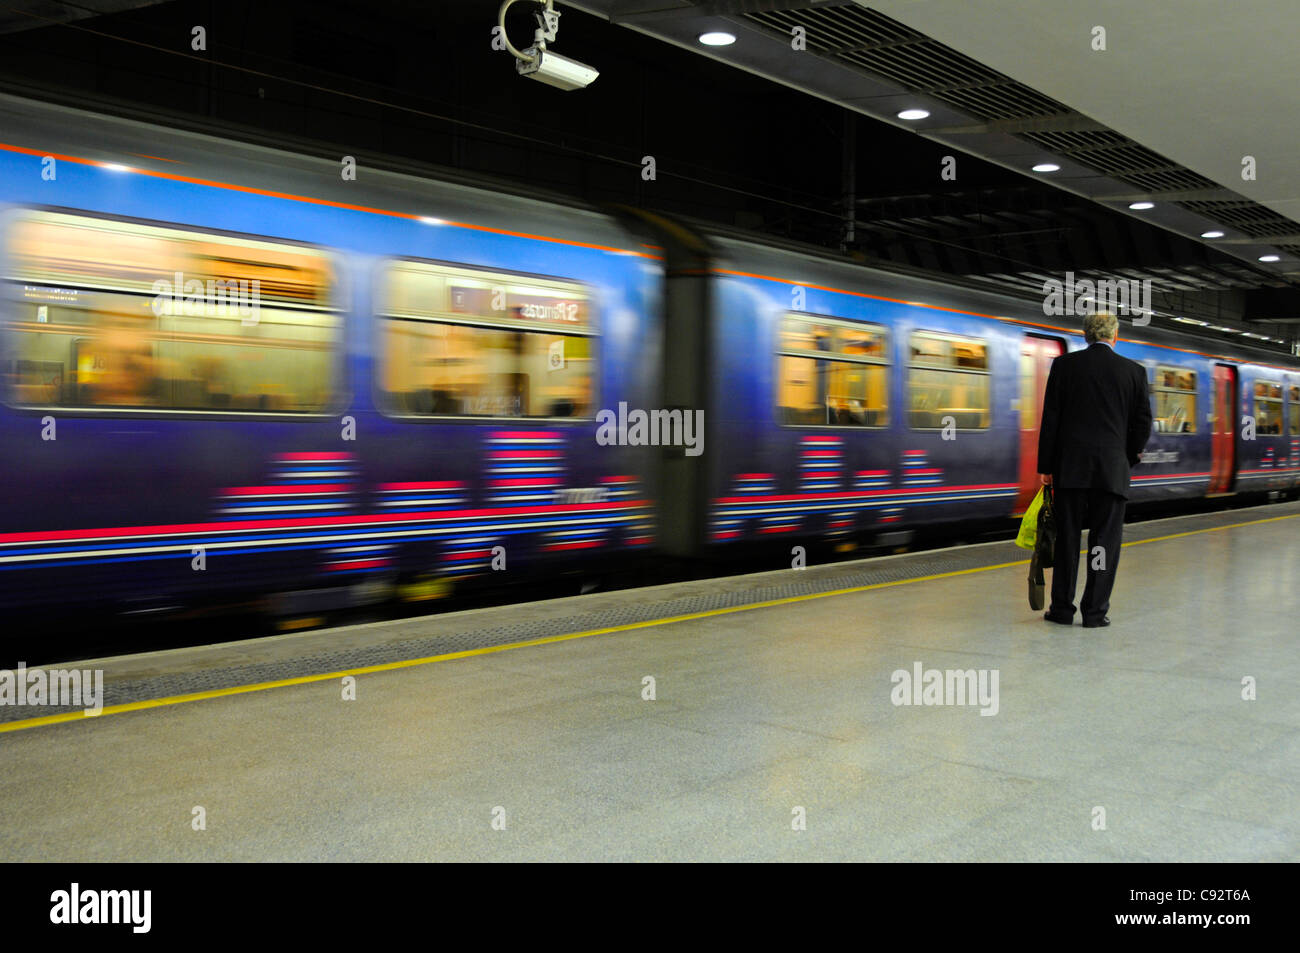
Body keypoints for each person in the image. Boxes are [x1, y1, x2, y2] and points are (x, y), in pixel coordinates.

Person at [1037, 312, 1152, 628]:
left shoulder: (1064, 366)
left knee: (1068, 540)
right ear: (1116, 336)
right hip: (1111, 472)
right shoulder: (1134, 372)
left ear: (1086, 335)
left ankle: (1061, 609)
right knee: (1104, 543)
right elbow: (1143, 424)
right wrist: (1125, 458)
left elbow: (1051, 419)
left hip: (1070, 470)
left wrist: (1046, 466)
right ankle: (1094, 612)